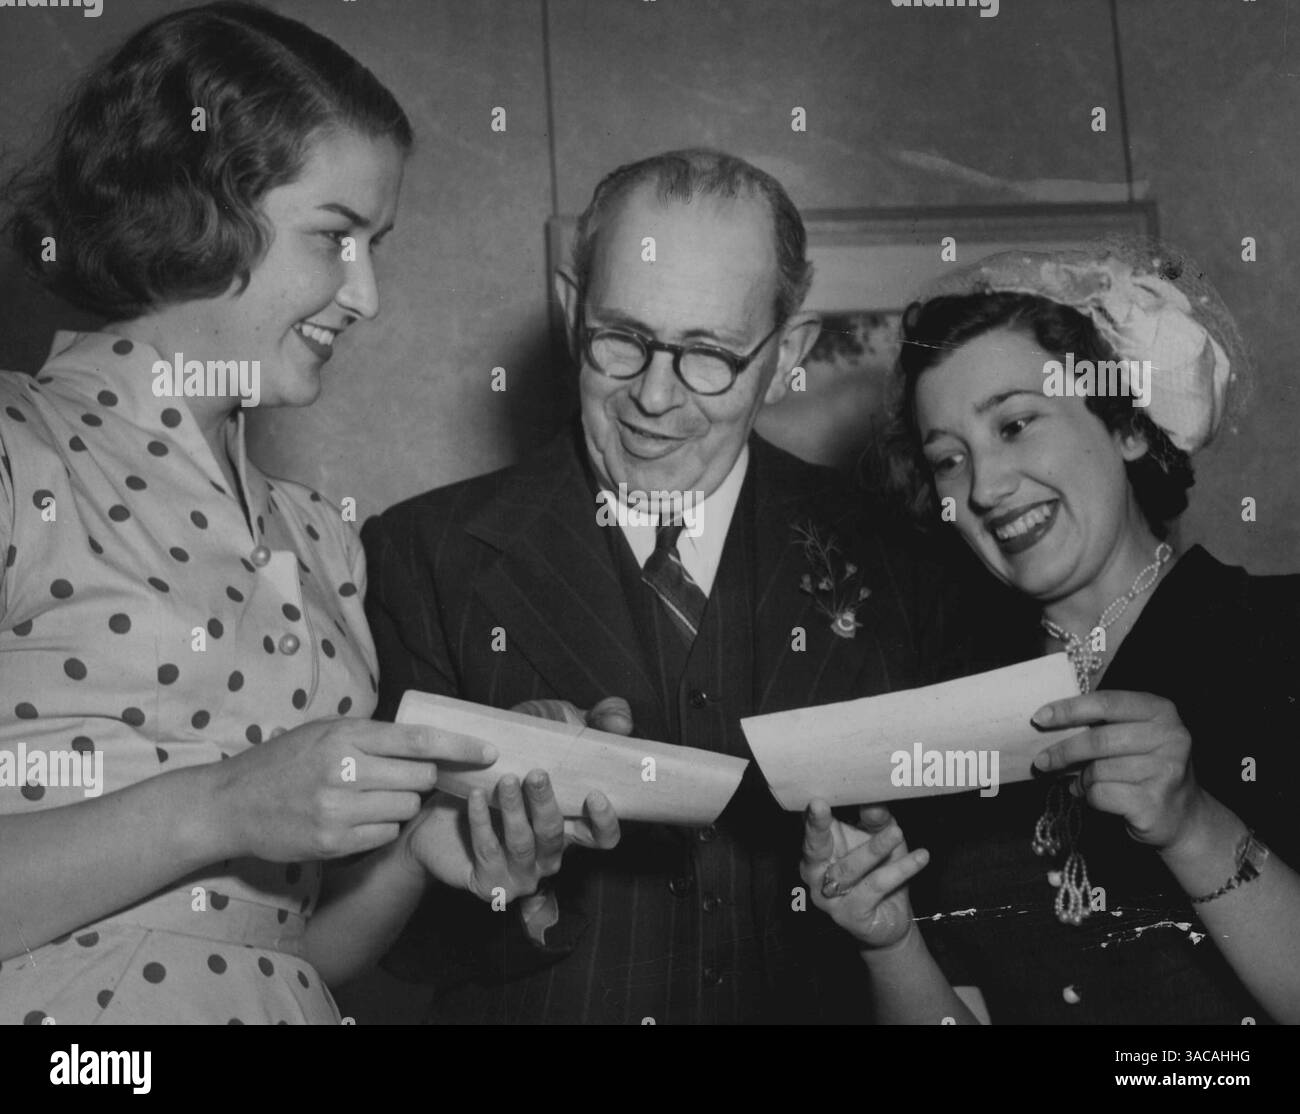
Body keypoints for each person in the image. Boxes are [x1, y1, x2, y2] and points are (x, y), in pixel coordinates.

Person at [0, 1, 616, 1026]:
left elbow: (287, 952)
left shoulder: (319, 540)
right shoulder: (18, 449)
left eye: (376, 244)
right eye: (333, 237)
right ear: (192, 206)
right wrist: (222, 803)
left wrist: (427, 840)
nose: (367, 294)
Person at [362, 148, 955, 1024]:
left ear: (787, 352)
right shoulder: (423, 556)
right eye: (623, 340)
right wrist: (502, 888)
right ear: (573, 313)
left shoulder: (904, 560)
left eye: (709, 354)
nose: (655, 395)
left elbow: (967, 913)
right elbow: (371, 937)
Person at [801, 242, 1300, 1024]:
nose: (986, 488)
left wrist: (1197, 829)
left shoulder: (1277, 639)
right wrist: (889, 946)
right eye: (948, 460)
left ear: (1128, 426)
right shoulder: (959, 703)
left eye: (1016, 423)